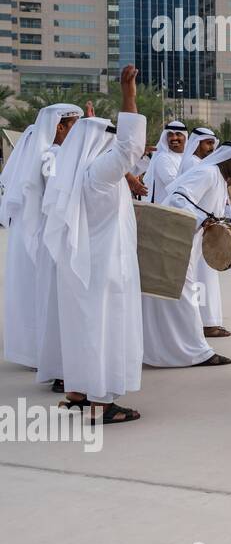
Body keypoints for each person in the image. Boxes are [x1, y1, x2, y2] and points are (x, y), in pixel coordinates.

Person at [43, 66, 147, 424]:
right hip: (105, 270)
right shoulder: (99, 174)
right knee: (106, 332)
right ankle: (103, 404)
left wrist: (91, 123)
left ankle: (76, 394)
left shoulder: (76, 171)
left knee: (82, 331)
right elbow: (128, 147)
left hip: (79, 271)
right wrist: (128, 96)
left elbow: (108, 148)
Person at [141, 142, 231, 368]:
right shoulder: (207, 173)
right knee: (184, 297)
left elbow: (214, 219)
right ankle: (197, 352)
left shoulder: (219, 180)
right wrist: (203, 220)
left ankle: (161, 352)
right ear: (223, 158)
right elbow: (179, 197)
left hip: (183, 243)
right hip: (173, 241)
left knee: (168, 300)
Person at [1, 103, 83, 375]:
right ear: (59, 127)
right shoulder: (52, 154)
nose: (78, 132)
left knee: (31, 292)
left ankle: (34, 351)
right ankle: (47, 355)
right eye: (75, 125)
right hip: (42, 234)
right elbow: (62, 190)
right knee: (45, 294)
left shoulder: (42, 150)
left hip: (29, 232)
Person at [176, 128, 226, 338]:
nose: (211, 148)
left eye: (212, 143)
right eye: (207, 143)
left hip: (205, 227)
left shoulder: (204, 166)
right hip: (198, 228)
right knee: (201, 279)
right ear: (196, 143)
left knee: (206, 277)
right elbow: (186, 198)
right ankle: (204, 323)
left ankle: (208, 321)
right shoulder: (194, 165)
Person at [142, 120, 188, 202]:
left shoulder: (187, 158)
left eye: (178, 134)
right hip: (166, 209)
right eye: (170, 135)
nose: (174, 138)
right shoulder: (163, 158)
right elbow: (173, 185)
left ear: (185, 136)